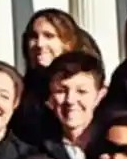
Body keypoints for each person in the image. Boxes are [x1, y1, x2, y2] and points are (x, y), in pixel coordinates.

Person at [13, 10, 82, 146]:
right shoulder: (21, 91)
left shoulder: (87, 88)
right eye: (33, 37)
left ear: (68, 43)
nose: (39, 44)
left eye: (49, 36)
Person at [41, 52, 107, 159]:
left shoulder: (112, 146)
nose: (70, 100)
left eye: (81, 91)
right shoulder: (37, 152)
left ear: (100, 96)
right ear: (50, 97)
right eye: (61, 91)